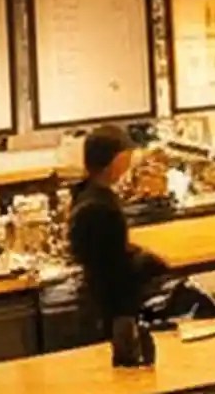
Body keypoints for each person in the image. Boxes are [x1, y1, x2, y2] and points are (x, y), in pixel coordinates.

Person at [68, 125, 168, 358]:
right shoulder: (101, 208)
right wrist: (153, 263)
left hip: (97, 303)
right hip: (113, 310)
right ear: (116, 160)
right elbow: (114, 268)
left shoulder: (85, 195)